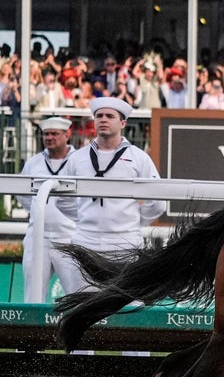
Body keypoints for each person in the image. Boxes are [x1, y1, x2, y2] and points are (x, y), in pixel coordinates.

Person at [54, 97, 167, 294]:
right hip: (85, 242)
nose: (103, 119)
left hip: (125, 243)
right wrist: (84, 217)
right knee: (82, 304)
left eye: (109, 116)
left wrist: (133, 222)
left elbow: (157, 202)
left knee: (126, 305)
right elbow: (62, 199)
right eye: (99, 116)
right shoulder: (78, 158)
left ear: (123, 123)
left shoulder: (138, 157)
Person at [17, 117, 77, 302]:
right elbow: (22, 194)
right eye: (46, 134)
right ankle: (32, 331)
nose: (49, 137)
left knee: (77, 293)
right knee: (32, 295)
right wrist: (39, 211)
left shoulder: (79, 161)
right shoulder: (33, 163)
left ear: (67, 135)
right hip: (37, 237)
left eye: (54, 134)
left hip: (69, 236)